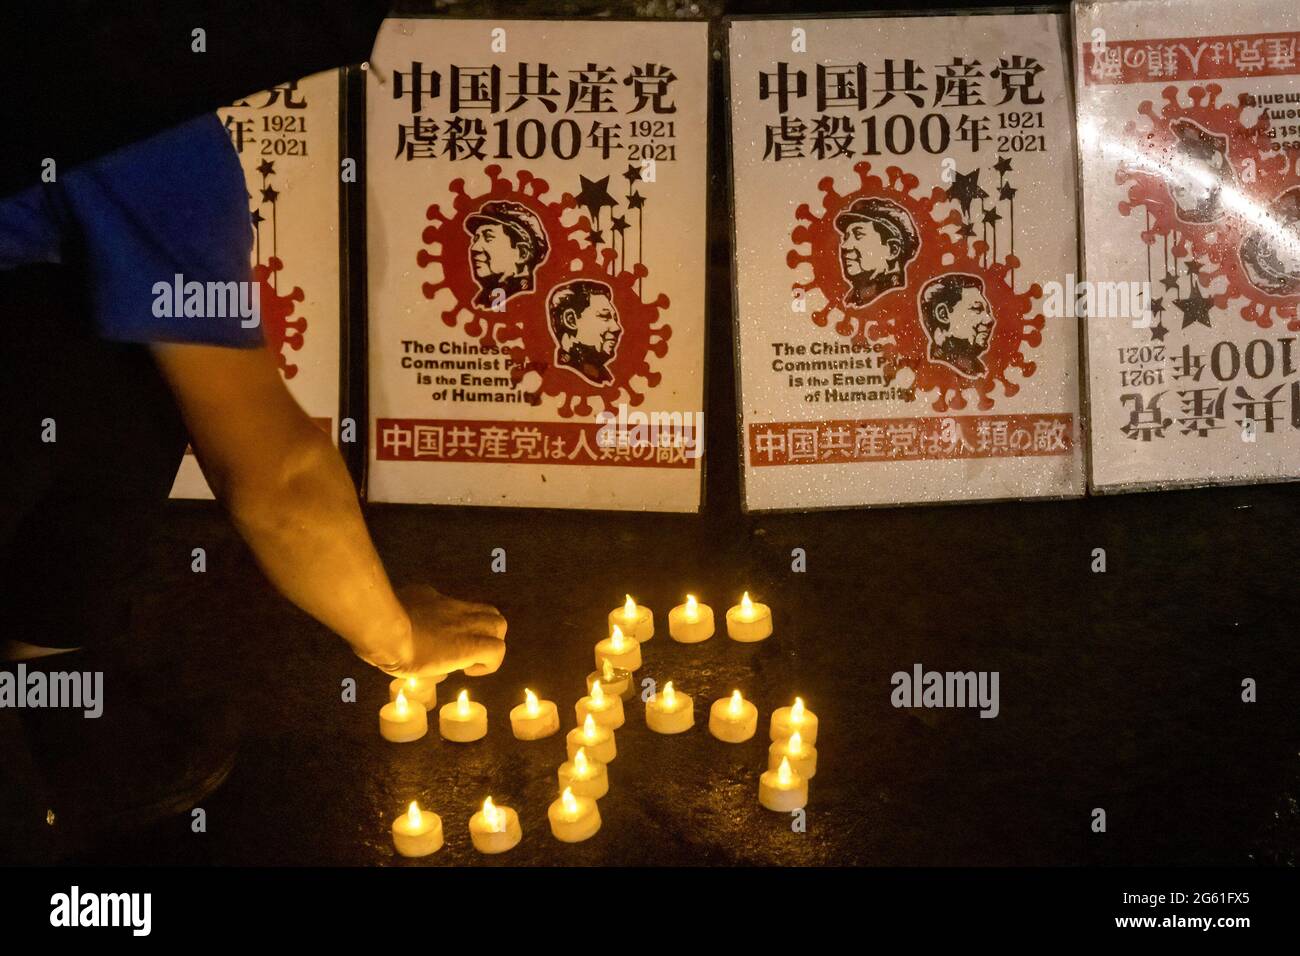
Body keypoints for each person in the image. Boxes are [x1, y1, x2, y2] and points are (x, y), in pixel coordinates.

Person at [0, 112, 507, 851]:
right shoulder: (137, 112)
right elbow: (274, 475)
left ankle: (46, 666)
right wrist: (395, 636)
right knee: (169, 357)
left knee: (116, 333)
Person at [833, 196, 920, 307]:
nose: (845, 246)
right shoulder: (852, 302)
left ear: (893, 250)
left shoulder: (899, 305)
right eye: (846, 237)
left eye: (859, 235)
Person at [465, 200, 549, 309]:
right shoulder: (489, 300)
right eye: (476, 239)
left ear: (522, 254)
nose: (474, 248)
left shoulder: (525, 305)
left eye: (488, 238)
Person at [918, 273, 996, 378]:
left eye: (987, 312)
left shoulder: (977, 370)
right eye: (977, 309)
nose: (990, 320)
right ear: (943, 314)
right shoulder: (935, 375)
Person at [546, 279, 622, 385]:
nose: (617, 328)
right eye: (604, 316)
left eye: (615, 319)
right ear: (571, 320)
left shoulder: (601, 377)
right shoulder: (564, 378)